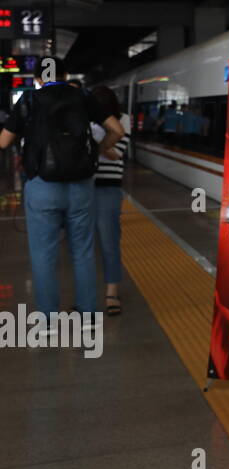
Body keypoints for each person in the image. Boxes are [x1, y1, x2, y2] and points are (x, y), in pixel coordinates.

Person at [0, 59, 125, 317]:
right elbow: (117, 130)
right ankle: (88, 314)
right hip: (81, 186)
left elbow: (3, 142)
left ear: (37, 79)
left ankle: (48, 318)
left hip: (42, 185)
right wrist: (99, 150)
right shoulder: (84, 96)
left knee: (43, 255)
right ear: (66, 75)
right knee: (82, 251)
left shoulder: (29, 100)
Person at [88, 85, 130, 317]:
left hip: (108, 189)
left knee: (109, 243)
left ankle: (111, 293)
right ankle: (87, 295)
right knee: (82, 247)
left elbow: (116, 153)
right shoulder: (86, 118)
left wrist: (95, 142)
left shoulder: (124, 119)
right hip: (82, 186)